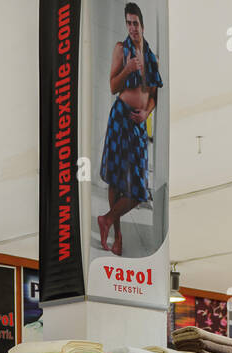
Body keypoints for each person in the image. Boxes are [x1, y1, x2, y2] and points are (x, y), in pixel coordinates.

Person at [97, 2, 163, 257]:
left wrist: (147, 112)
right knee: (115, 179)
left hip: (138, 122)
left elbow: (154, 94)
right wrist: (128, 69)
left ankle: (107, 218)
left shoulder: (152, 57)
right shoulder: (120, 49)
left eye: (135, 23)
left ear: (143, 26)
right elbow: (113, 86)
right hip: (120, 117)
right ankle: (118, 237)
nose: (132, 27)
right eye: (128, 23)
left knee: (137, 191)